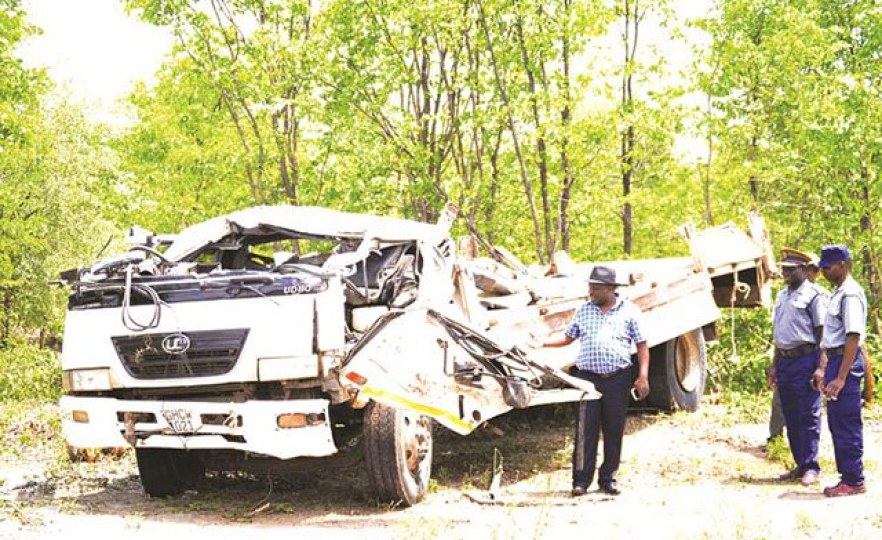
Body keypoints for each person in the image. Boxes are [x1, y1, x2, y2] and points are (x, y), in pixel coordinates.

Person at [536, 265, 649, 497]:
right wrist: (542, 343)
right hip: (587, 380)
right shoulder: (584, 311)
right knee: (585, 430)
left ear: (610, 289)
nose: (591, 292)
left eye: (595, 289)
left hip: (618, 378)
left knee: (613, 429)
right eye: (590, 287)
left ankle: (608, 478)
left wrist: (643, 376)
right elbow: (568, 338)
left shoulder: (629, 311)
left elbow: (642, 345)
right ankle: (581, 481)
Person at [768, 248, 827, 485]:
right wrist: (774, 365)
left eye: (790, 269)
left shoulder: (815, 296)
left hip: (806, 359)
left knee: (808, 413)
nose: (785, 272)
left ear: (803, 270)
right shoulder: (782, 295)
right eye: (784, 268)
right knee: (790, 413)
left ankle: (811, 466)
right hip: (785, 360)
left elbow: (824, 335)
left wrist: (821, 368)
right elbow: (779, 334)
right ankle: (800, 464)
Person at [814, 244, 868, 497]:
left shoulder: (850, 295)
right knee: (837, 422)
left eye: (828, 267)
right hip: (836, 361)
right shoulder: (837, 293)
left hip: (846, 362)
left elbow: (853, 337)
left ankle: (854, 480)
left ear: (843, 264)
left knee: (847, 422)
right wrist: (825, 369)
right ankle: (847, 476)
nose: (823, 271)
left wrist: (842, 376)